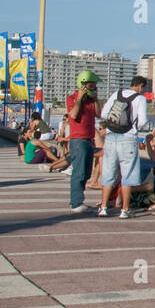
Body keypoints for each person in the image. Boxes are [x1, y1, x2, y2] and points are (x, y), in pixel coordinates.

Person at [98, 75, 150, 220]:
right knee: (128, 175)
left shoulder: (117, 94)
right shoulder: (140, 99)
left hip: (111, 137)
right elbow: (143, 121)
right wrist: (133, 127)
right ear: (140, 86)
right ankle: (125, 209)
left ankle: (103, 207)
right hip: (128, 139)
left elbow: (103, 114)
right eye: (143, 88)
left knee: (108, 172)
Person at [65, 71, 100, 213]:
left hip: (89, 139)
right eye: (92, 86)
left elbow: (99, 114)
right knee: (78, 172)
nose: (94, 88)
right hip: (78, 139)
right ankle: (76, 202)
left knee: (86, 173)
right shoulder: (72, 98)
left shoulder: (91, 101)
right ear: (83, 84)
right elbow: (73, 115)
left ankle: (79, 200)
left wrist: (96, 99)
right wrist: (79, 99)